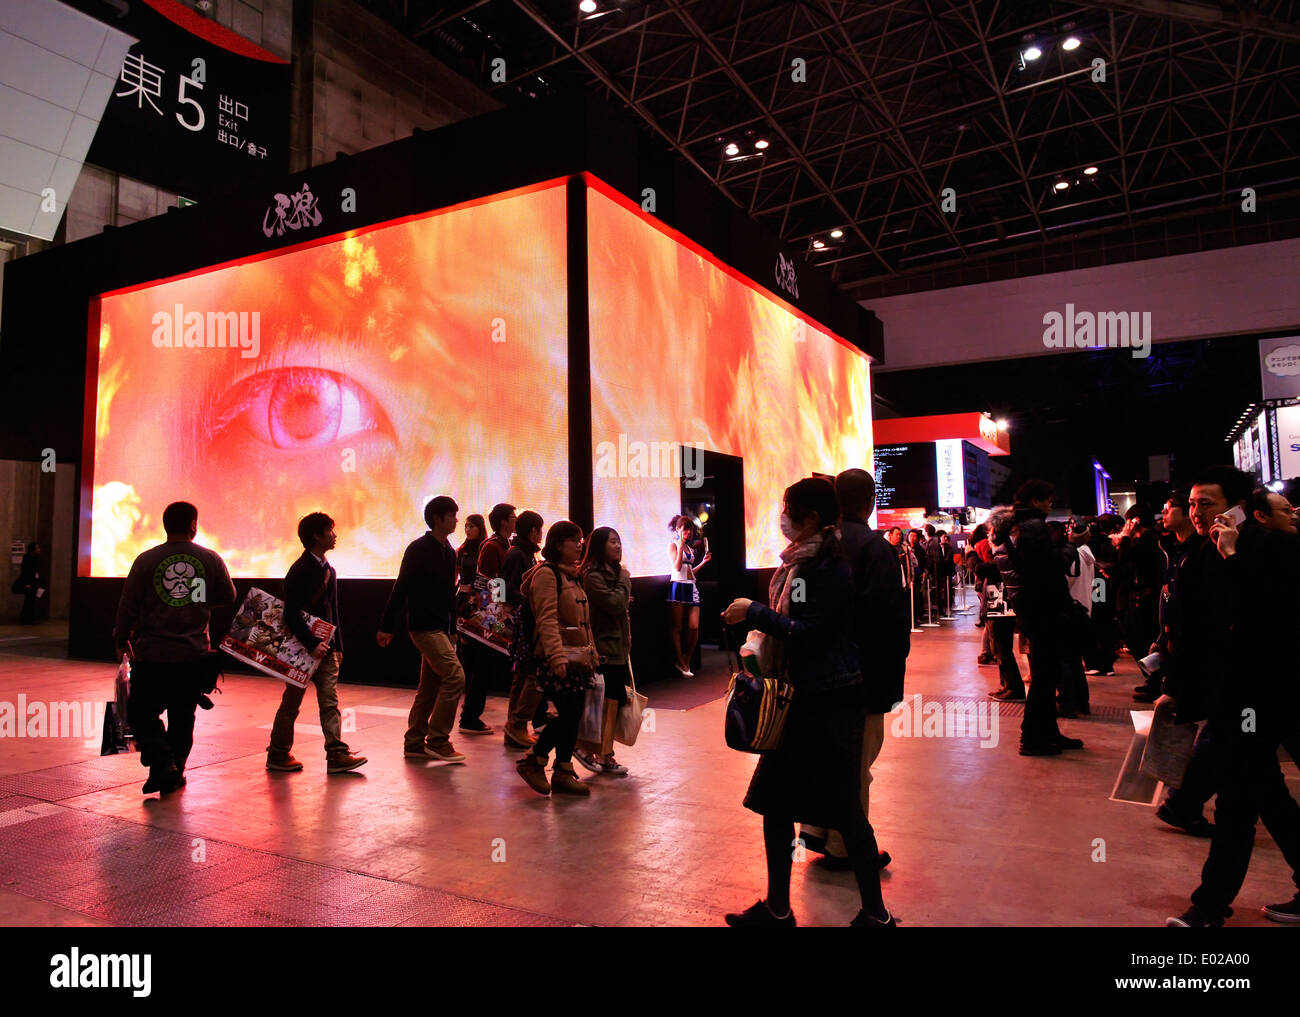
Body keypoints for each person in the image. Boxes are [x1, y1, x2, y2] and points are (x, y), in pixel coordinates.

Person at [721, 477, 895, 927]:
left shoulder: (826, 567)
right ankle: (779, 908)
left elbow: (811, 633)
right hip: (803, 701)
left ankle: (875, 914)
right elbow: (800, 624)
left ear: (812, 517)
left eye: (789, 509)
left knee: (844, 810)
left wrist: (755, 613)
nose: (783, 517)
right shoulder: (804, 563)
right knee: (778, 805)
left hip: (827, 704)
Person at [1167, 467, 1300, 926]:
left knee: (1237, 801)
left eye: (1206, 503)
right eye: (1191, 503)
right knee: (1266, 794)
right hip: (1227, 694)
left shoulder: (1273, 548)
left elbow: (1266, 615)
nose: (1195, 512)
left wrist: (1232, 556)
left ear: (1239, 507)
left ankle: (1208, 907)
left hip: (1261, 694)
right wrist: (1173, 689)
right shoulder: (1199, 553)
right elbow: (1193, 630)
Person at [800, 469, 908, 873]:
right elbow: (887, 619)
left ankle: (818, 833)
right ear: (870, 501)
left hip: (821, 672)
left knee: (828, 757)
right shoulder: (875, 548)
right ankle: (847, 848)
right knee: (858, 764)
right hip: (864, 676)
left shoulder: (818, 545)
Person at [113, 502, 236, 795]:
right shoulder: (209, 559)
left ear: (165, 524)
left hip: (152, 655)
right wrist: (199, 601)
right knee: (182, 718)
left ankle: (163, 764)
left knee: (139, 713)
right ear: (193, 525)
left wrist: (120, 638)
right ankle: (173, 769)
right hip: (193, 655)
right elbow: (229, 596)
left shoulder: (146, 560)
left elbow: (128, 605)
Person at [266, 513, 367, 774]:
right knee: (291, 704)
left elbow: (333, 611)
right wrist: (312, 643)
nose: (335, 535)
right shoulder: (299, 570)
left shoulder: (329, 570)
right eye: (329, 531)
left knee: (330, 702)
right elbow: (291, 614)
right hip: (303, 650)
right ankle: (278, 752)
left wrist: (338, 646)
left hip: (326, 649)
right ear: (316, 535)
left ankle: (336, 753)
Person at [993, 481, 1081, 754]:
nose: (1050, 505)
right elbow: (1052, 566)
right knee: (1045, 676)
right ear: (1035, 501)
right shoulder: (1032, 527)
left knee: (1046, 673)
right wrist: (1072, 545)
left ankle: (1048, 732)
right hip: (1044, 608)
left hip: (1029, 609)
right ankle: (1031, 738)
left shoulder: (1010, 528)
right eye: (1047, 500)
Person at [514, 521, 601, 797]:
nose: (579, 545)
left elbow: (583, 621)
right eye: (573, 540)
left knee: (573, 715)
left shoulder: (571, 574)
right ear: (558, 544)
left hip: (578, 658)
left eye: (580, 539)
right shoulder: (547, 574)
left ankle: (563, 771)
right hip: (557, 658)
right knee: (569, 713)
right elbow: (547, 619)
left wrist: (592, 653)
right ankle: (534, 760)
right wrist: (556, 656)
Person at [379, 497, 467, 764]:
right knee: (455, 676)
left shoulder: (449, 552)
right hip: (424, 627)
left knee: (429, 687)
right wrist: (386, 627)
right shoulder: (418, 549)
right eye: (451, 515)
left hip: (442, 628)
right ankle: (438, 739)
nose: (456, 520)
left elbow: (448, 595)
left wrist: (452, 627)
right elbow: (401, 587)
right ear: (437, 518)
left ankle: (414, 742)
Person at [574, 526, 633, 776]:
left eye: (619, 541)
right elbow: (614, 604)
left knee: (614, 701)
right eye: (612, 541)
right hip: (604, 648)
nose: (618, 546)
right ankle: (595, 750)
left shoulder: (615, 574)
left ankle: (601, 750)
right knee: (605, 702)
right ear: (599, 546)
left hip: (618, 647)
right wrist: (624, 582)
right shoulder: (593, 575)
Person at [501, 510, 547, 748]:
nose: (541, 534)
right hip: (523, 623)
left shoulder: (524, 553)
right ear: (532, 531)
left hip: (525, 620)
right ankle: (516, 725)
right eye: (540, 529)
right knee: (526, 675)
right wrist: (530, 600)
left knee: (522, 676)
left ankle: (515, 726)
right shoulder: (517, 555)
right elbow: (504, 588)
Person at [982, 507, 1025, 702]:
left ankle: (1013, 688)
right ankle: (1007, 685)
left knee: (1002, 648)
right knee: (999, 648)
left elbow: (982, 569)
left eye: (991, 531)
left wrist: (973, 556)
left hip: (1002, 606)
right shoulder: (1007, 548)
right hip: (1000, 604)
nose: (988, 536)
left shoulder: (1005, 550)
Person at [667, 514, 706, 677]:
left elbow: (690, 571)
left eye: (690, 529)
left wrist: (703, 562)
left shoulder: (690, 549)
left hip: (691, 586)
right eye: (685, 529)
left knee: (694, 626)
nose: (688, 532)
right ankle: (680, 661)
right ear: (677, 529)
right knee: (677, 628)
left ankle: (686, 659)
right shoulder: (673, 546)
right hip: (678, 586)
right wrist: (681, 546)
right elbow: (677, 567)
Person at [13, 542, 43, 624]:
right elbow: (26, 572)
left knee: (31, 600)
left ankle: (29, 618)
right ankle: (26, 618)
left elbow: (36, 572)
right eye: (37, 548)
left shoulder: (36, 559)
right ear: (32, 550)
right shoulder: (27, 559)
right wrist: (26, 583)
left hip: (34, 582)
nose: (39, 550)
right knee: (29, 600)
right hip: (28, 583)